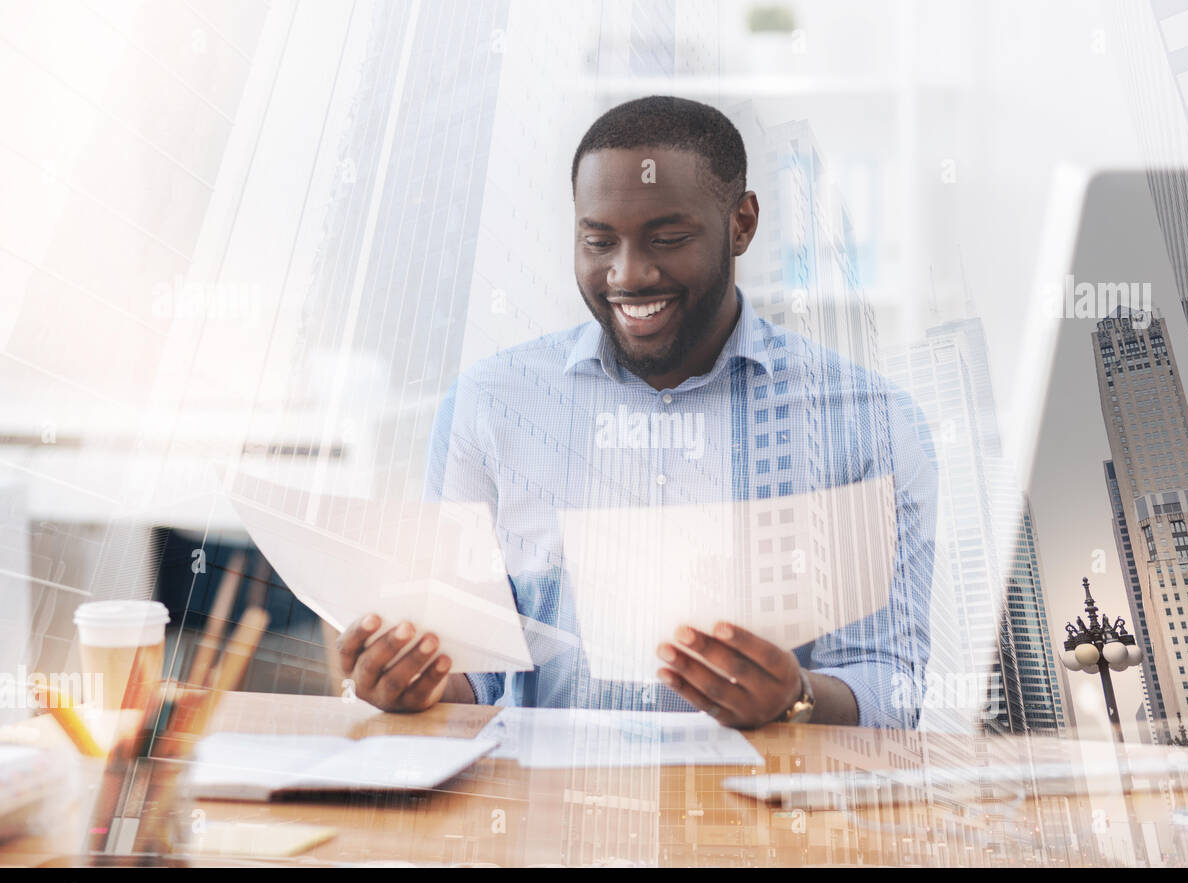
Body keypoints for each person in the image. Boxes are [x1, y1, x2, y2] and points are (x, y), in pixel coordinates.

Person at [338, 95, 937, 728]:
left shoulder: (868, 422)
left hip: (767, 815)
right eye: (599, 242)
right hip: (544, 813)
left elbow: (890, 681)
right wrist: (416, 682)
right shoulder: (489, 406)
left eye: (669, 239)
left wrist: (796, 698)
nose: (629, 275)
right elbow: (474, 674)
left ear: (742, 223)